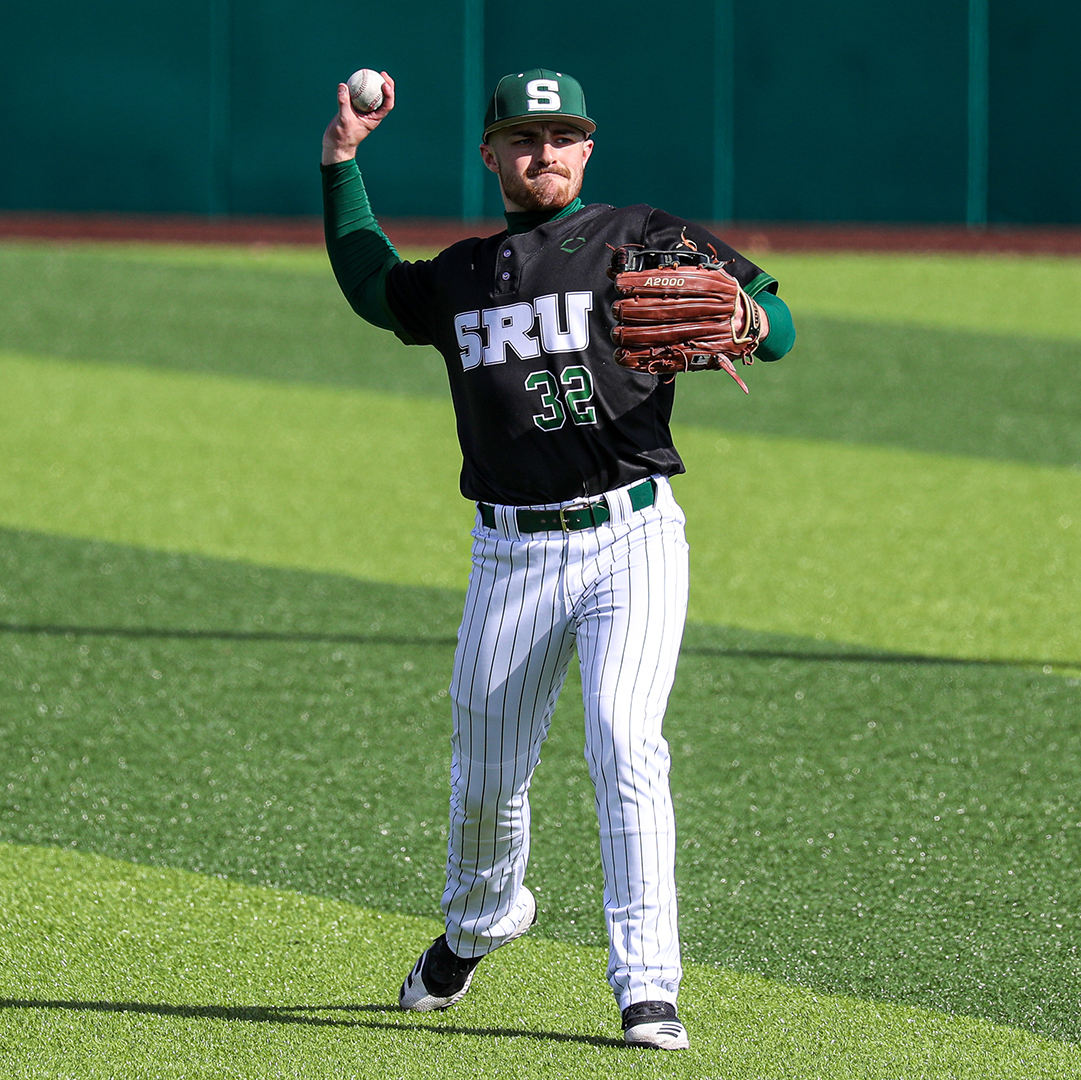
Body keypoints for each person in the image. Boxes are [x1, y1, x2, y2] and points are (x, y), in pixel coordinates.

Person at [319, 67, 794, 1051]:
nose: (545, 153)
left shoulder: (643, 237)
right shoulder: (460, 275)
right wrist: (342, 160)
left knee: (627, 741)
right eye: (525, 139)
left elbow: (780, 324)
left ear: (588, 150)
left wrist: (751, 320)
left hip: (634, 535)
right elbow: (373, 287)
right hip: (510, 555)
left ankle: (647, 987)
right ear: (491, 153)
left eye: (564, 137)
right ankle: (479, 924)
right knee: (488, 775)